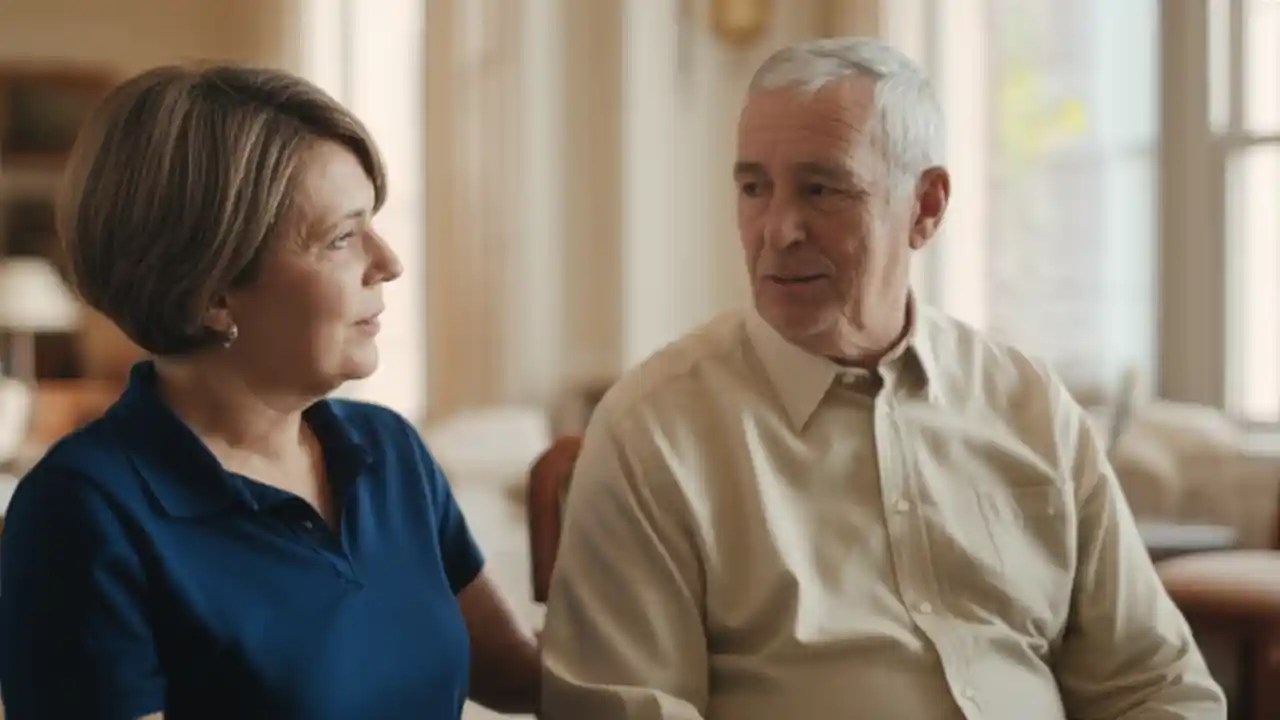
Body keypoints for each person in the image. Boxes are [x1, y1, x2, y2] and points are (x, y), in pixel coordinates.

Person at [541, 37, 1226, 719]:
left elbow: (1155, 684)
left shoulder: (1028, 406)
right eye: (754, 188)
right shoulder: (652, 433)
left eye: (822, 189)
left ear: (926, 207)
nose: (778, 229)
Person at [0, 64, 538, 719]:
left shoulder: (389, 452)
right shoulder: (81, 512)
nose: (388, 262)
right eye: (342, 238)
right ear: (213, 292)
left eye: (372, 222)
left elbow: (523, 679)